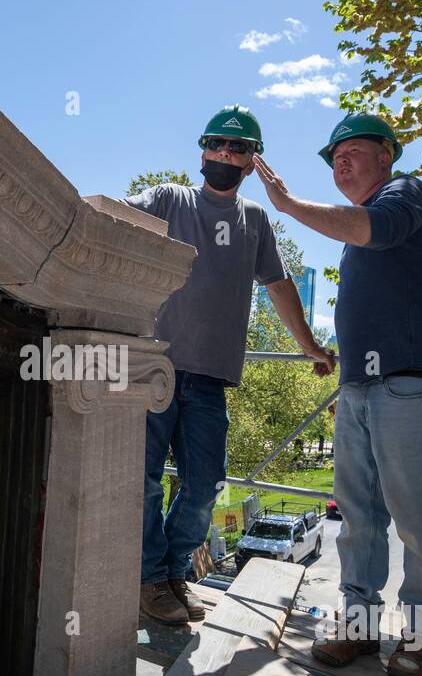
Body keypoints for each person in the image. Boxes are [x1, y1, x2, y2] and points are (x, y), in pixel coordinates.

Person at [252, 114, 422, 676]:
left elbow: (375, 230)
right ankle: (361, 622)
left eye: (353, 150)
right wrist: (349, 385)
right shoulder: (355, 230)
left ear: (387, 155)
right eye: (333, 154)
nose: (340, 159)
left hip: (412, 382)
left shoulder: (404, 195)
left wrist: (289, 205)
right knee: (356, 512)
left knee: (414, 511)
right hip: (364, 387)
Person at [125, 105, 334, 626]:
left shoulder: (256, 222)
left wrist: (309, 345)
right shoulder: (170, 199)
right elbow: (117, 216)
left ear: (252, 163)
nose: (224, 154)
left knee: (206, 484)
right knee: (146, 480)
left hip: (208, 379)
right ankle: (150, 580)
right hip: (154, 369)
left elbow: (280, 287)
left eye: (237, 148)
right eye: (216, 143)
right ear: (202, 149)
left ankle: (174, 572)